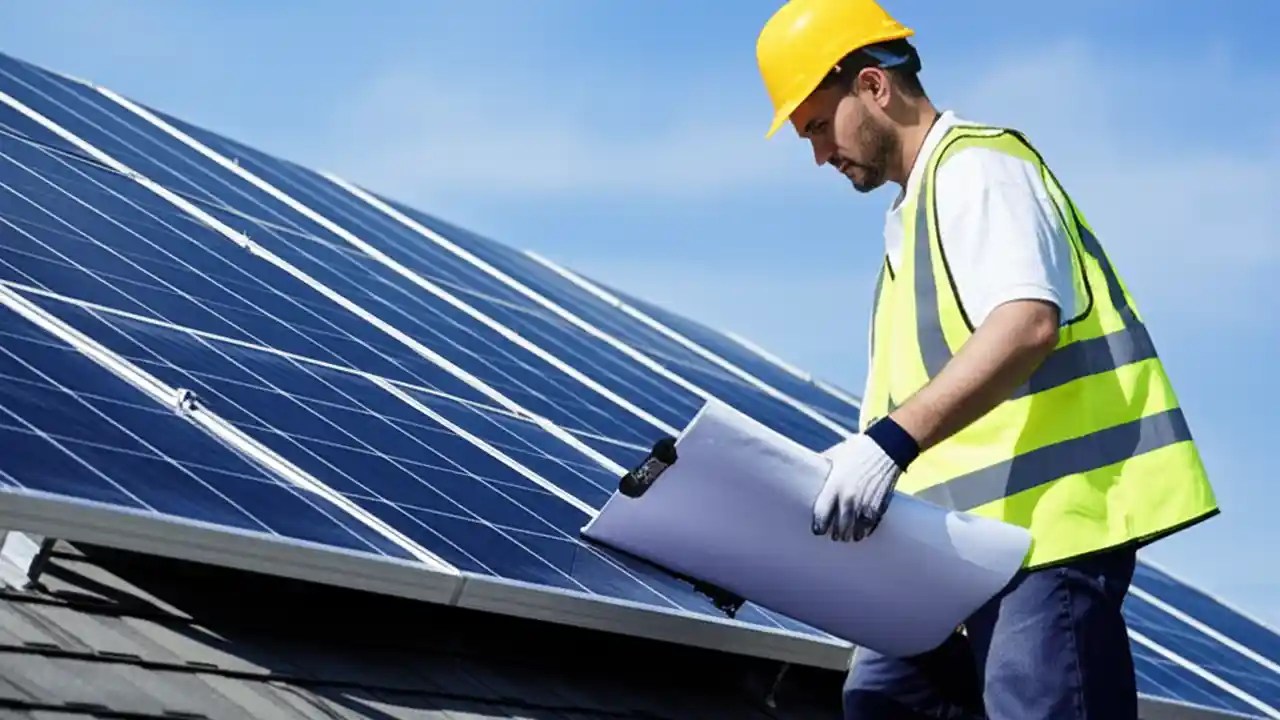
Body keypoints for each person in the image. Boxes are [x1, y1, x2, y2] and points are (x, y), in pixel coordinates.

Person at [753, 1, 1221, 718]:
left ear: (874, 87)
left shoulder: (978, 168)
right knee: (882, 699)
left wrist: (887, 446)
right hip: (944, 554)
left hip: (1041, 536)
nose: (817, 153)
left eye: (817, 125)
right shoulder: (913, 220)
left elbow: (1026, 324)